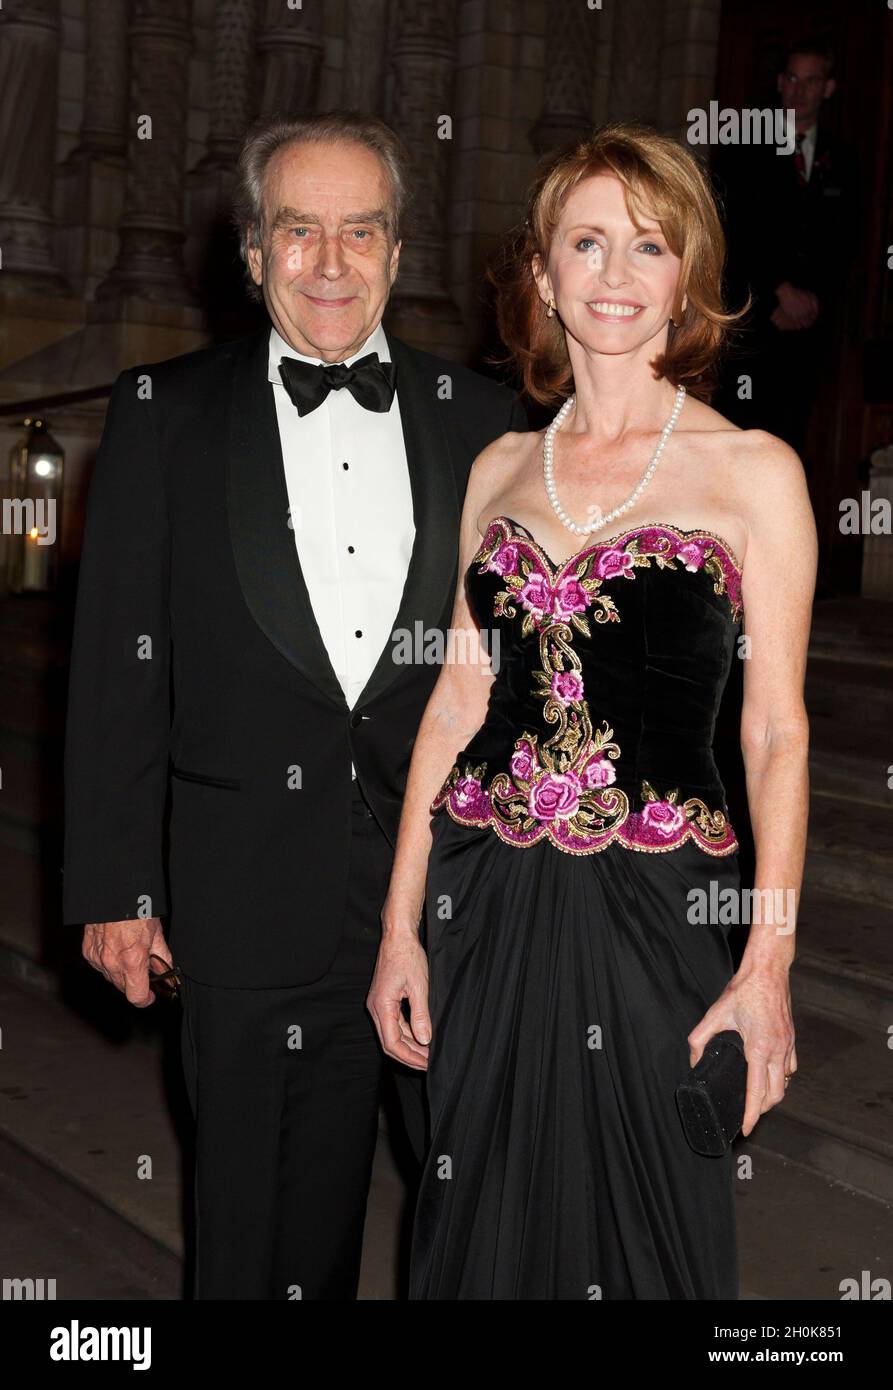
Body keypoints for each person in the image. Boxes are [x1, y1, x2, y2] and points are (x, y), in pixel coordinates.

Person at [62, 111, 527, 1300]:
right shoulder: (163, 412)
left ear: (395, 247)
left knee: (478, 1198)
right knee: (263, 1220)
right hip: (245, 879)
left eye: (358, 231)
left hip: (447, 887)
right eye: (299, 232)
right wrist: (116, 884)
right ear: (254, 253)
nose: (330, 263)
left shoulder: (481, 422)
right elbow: (120, 665)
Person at [367, 123, 815, 1300]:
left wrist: (765, 960)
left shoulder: (754, 471)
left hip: (656, 909)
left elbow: (773, 731)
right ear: (542, 273)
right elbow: (456, 702)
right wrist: (401, 925)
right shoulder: (499, 469)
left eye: (649, 247)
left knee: (650, 1227)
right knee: (474, 1222)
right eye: (586, 242)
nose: (615, 275)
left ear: (688, 277)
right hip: (488, 896)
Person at [715, 38, 857, 456]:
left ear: (827, 88)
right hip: (752, 321)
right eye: (792, 78)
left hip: (807, 332)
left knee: (789, 442)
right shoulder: (742, 146)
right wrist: (777, 290)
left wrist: (813, 300)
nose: (800, 90)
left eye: (812, 81)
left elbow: (847, 241)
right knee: (736, 438)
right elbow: (730, 228)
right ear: (780, 82)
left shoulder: (843, 159)